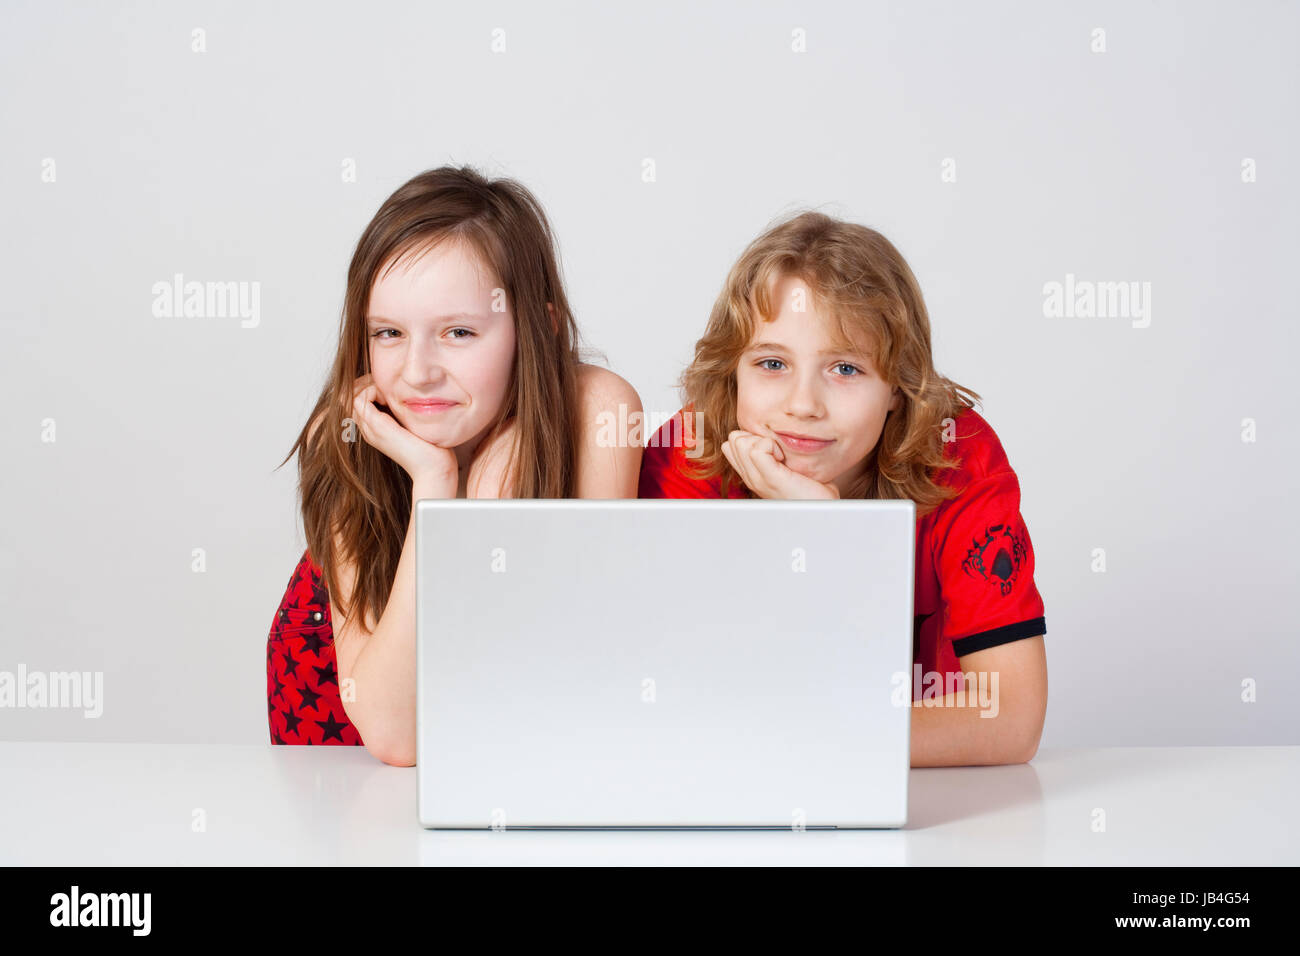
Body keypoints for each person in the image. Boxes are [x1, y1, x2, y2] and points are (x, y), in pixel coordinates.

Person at [638, 211, 1048, 767]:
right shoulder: (688, 454)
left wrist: (829, 529)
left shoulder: (958, 454)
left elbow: (1013, 719)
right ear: (731, 373)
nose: (803, 405)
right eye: (772, 363)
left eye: (846, 369)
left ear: (898, 388)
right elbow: (683, 706)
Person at [268, 166, 642, 765]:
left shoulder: (597, 411)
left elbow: (578, 679)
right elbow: (397, 738)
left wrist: (495, 490)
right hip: (341, 769)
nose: (417, 371)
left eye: (459, 332)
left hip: (508, 769)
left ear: (537, 329)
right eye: (388, 333)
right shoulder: (349, 433)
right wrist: (433, 486)